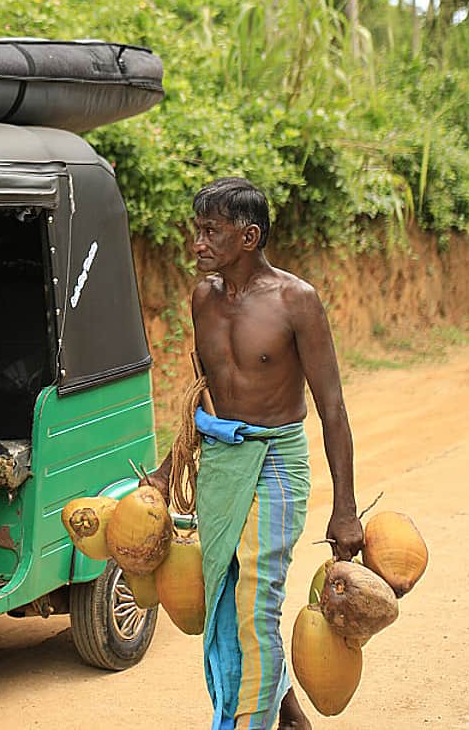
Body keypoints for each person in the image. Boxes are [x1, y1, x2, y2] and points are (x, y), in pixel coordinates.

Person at [147, 177, 364, 730]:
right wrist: (171, 469)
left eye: (211, 231)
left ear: (248, 236)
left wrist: (345, 507)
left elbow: (333, 407)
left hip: (276, 463)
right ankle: (285, 712)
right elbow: (205, 393)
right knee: (221, 599)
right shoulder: (204, 299)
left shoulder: (297, 301)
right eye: (197, 230)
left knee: (255, 602)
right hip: (222, 460)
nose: (198, 243)